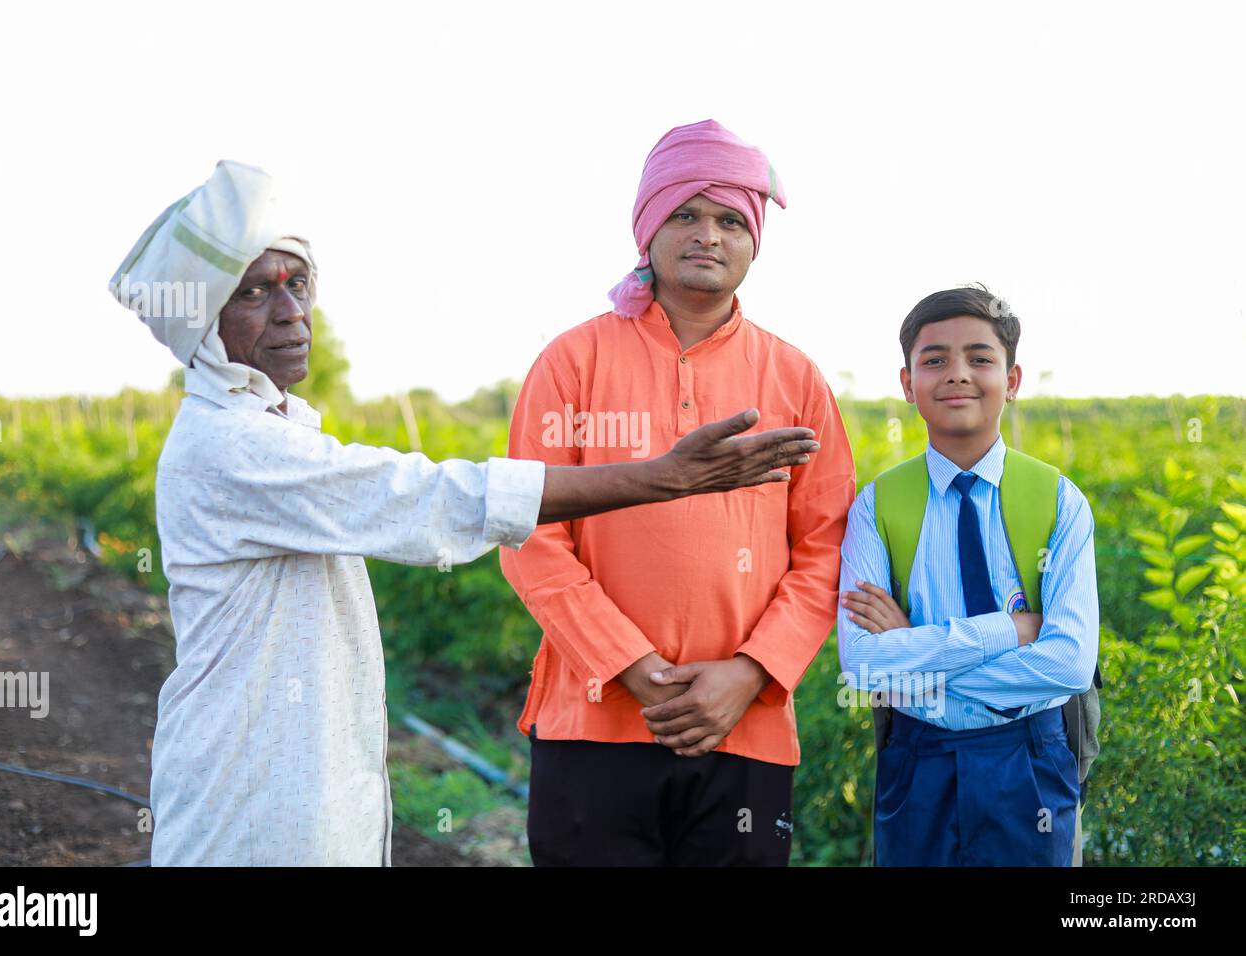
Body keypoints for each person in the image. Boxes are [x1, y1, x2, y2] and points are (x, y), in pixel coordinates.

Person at [108, 159, 819, 865]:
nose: (291, 313)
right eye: (255, 293)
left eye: (298, 286)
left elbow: (825, 547)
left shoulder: (278, 426)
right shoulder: (232, 445)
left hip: (304, 764)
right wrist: (661, 481)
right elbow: (432, 497)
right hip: (253, 777)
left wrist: (753, 670)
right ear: (202, 323)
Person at [500, 120, 857, 866]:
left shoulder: (795, 379)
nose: (709, 235)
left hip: (746, 729)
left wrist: (750, 673)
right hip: (593, 722)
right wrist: (633, 665)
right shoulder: (572, 362)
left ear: (755, 239)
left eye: (731, 219)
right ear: (648, 226)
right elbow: (530, 534)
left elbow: (827, 549)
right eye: (686, 213)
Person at [837, 285, 1099, 866]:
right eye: (935, 359)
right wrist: (1009, 631)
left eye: (980, 358)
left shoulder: (1058, 501)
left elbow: (1071, 663)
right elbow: (862, 666)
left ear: (1012, 379)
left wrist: (913, 653)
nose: (957, 374)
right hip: (918, 759)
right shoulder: (877, 506)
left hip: (1029, 758)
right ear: (907, 383)